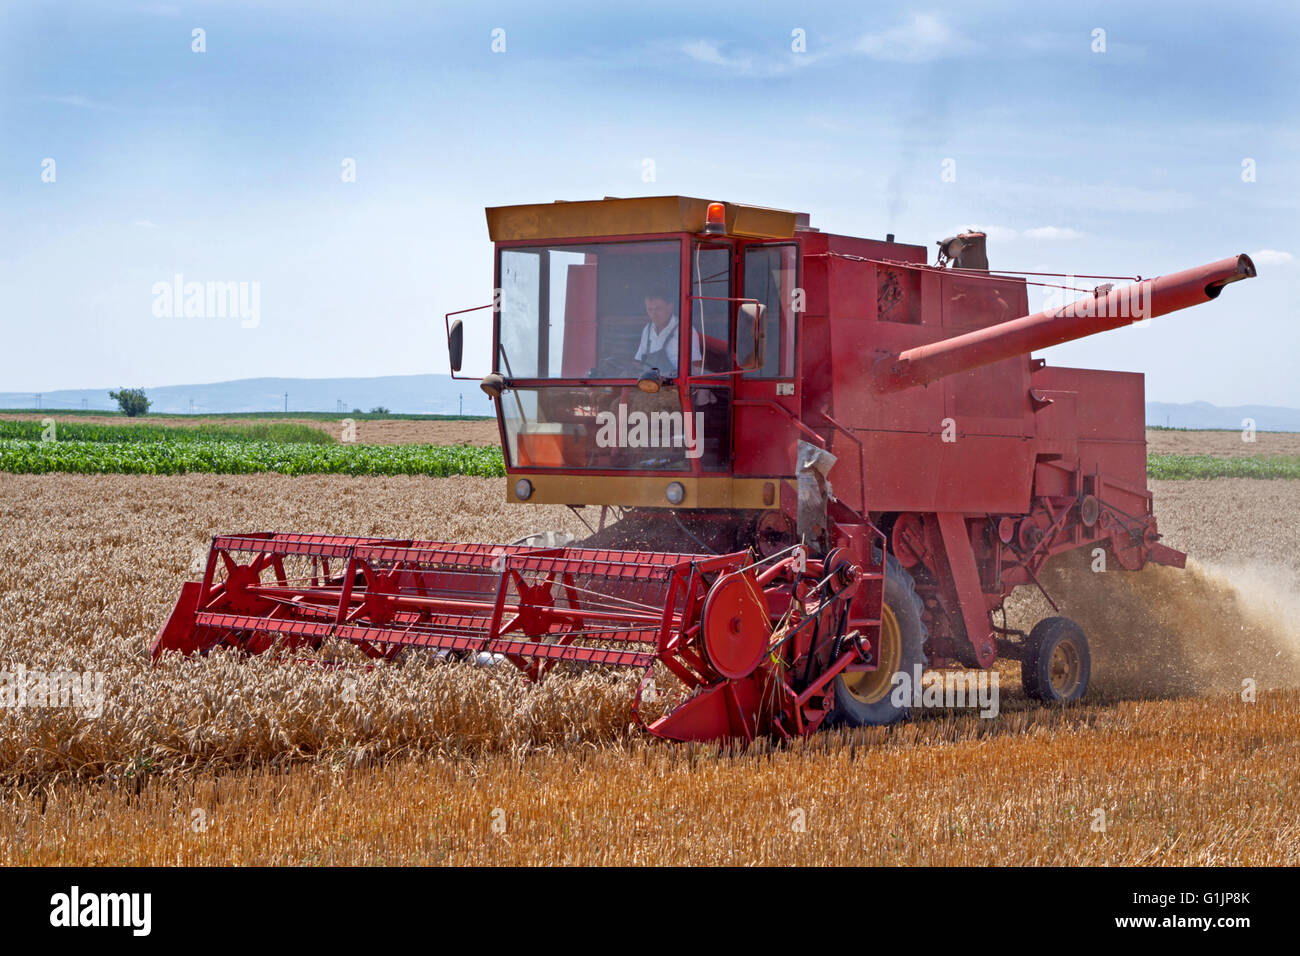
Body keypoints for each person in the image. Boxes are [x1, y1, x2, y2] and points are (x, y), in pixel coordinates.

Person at [634, 288, 703, 377]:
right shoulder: (648, 329)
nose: (653, 314)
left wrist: (668, 375)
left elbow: (696, 368)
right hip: (649, 385)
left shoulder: (685, 330)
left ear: (670, 307)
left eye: (658, 309)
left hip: (674, 387)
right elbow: (638, 361)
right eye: (650, 309)